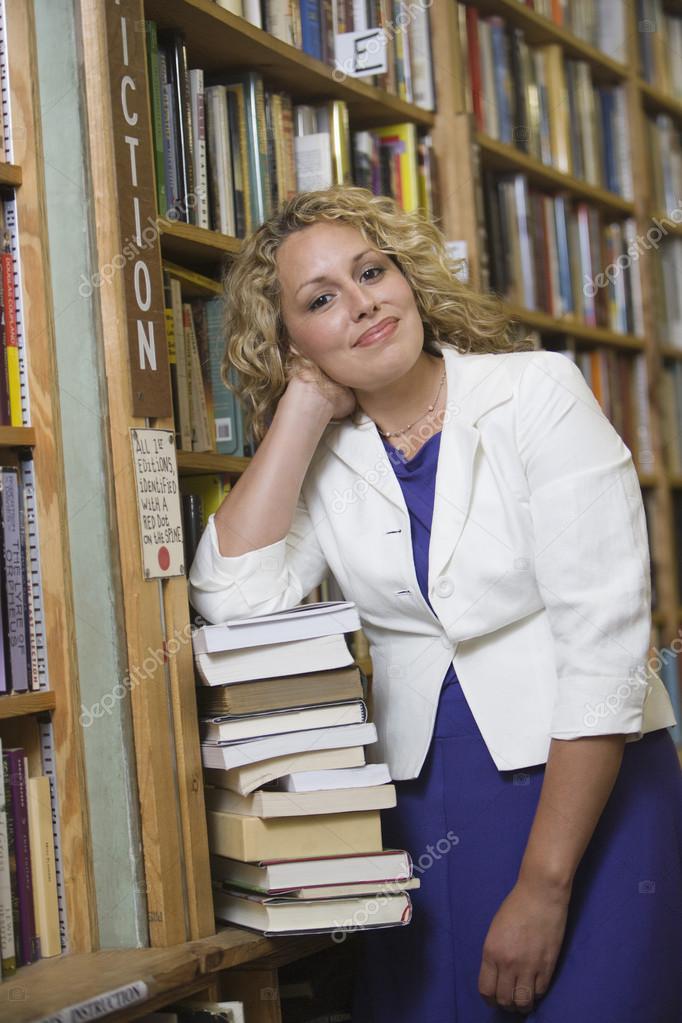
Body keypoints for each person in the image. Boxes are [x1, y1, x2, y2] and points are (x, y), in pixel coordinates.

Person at [188, 186, 682, 1022]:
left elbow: (606, 649)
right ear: (291, 342)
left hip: (589, 788)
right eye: (320, 299)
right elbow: (232, 600)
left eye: (371, 271)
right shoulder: (326, 455)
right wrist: (303, 409)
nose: (363, 303)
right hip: (420, 805)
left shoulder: (536, 392)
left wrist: (542, 888)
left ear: (408, 279)